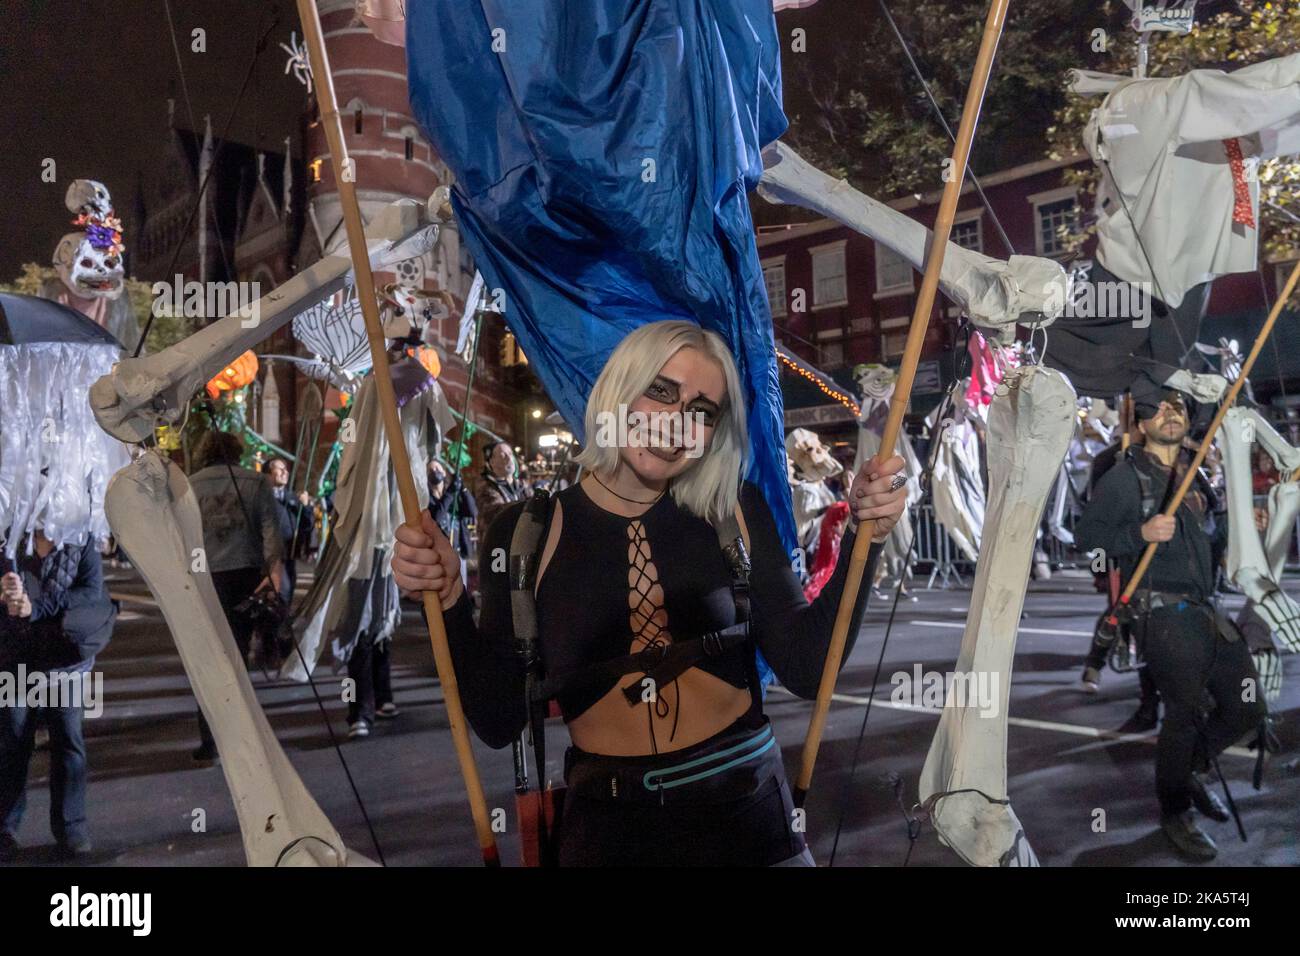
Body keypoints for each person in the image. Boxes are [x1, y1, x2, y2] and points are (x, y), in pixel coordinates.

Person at [392, 321, 906, 866]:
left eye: (703, 411)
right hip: (609, 834)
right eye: (661, 391)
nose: (678, 423)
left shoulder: (734, 510)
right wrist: (446, 602)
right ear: (619, 390)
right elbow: (498, 721)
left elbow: (807, 666)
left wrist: (862, 535)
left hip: (749, 817)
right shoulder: (524, 535)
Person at [1074, 390, 1266, 861]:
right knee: (1182, 717)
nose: (1170, 413)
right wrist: (1137, 535)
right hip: (1163, 615)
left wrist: (1247, 525)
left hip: (1207, 610)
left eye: (1178, 407)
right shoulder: (1124, 478)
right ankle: (1175, 812)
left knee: (1248, 707)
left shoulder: (1196, 474)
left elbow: (1212, 541)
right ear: (1141, 424)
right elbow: (1088, 541)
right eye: (1159, 408)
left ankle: (1191, 770)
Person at [0, 531, 116, 861]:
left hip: (65, 664)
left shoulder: (81, 540)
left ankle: (71, 827)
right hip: (14, 661)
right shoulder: (8, 537)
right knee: (13, 743)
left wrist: (37, 607)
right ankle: (5, 827)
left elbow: (91, 592)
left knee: (68, 741)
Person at [188, 431, 285, 765]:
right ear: (237, 452)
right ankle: (238, 735)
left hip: (203, 577)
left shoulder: (189, 487)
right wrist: (273, 575)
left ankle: (209, 739)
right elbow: (271, 533)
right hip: (245, 575)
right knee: (237, 656)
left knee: (207, 658)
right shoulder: (256, 483)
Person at [266, 457, 313, 606]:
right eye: (280, 469)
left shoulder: (292, 497)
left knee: (288, 591)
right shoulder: (261, 497)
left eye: (286, 469)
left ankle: (282, 624)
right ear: (268, 474)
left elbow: (307, 525)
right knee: (281, 593)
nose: (285, 472)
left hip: (290, 555)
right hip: (271, 556)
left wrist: (306, 507)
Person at [473, 439, 523, 551]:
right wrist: (529, 503)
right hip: (497, 549)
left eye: (510, 454)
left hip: (519, 547)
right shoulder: (484, 486)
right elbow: (496, 512)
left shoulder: (521, 485)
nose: (509, 458)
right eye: (503, 455)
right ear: (491, 462)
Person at [427, 458, 476, 562]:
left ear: (444, 472)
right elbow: (436, 518)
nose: (434, 471)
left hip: (458, 551)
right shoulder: (427, 498)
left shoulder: (455, 494)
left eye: (437, 468)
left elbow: (472, 512)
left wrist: (463, 488)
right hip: (439, 555)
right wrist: (450, 493)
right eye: (430, 470)